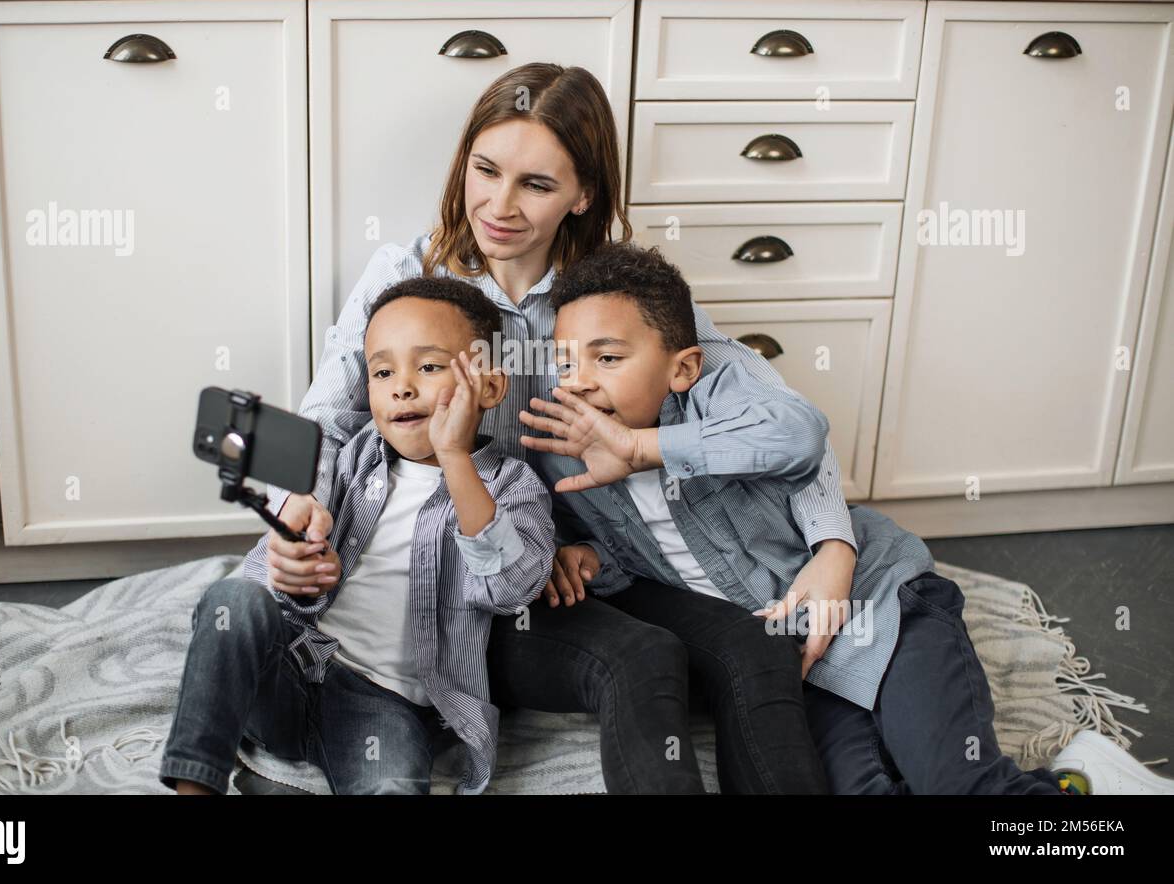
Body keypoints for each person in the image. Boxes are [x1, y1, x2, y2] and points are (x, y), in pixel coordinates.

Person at [265, 61, 861, 792]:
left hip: (591, 563)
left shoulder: (609, 296)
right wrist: (301, 509)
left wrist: (834, 542)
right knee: (639, 659)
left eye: (537, 185)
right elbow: (328, 413)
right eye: (485, 170)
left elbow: (772, 409)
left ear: (583, 195)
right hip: (466, 570)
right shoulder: (405, 275)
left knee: (742, 646)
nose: (499, 205)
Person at [523, 242, 1169, 795]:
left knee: (956, 782)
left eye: (608, 359)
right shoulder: (565, 456)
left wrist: (643, 448)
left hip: (882, 610)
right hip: (798, 664)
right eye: (567, 361)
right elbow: (630, 559)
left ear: (682, 367)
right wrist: (584, 557)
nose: (580, 381)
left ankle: (1079, 780)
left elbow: (798, 435)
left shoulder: (714, 395)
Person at [159, 276, 552, 794]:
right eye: (383, 371)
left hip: (382, 703)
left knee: (392, 784)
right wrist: (290, 569)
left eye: (429, 367)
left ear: (490, 387)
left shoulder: (510, 485)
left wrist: (455, 456)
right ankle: (196, 787)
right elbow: (268, 571)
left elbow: (510, 586)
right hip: (294, 667)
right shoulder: (354, 461)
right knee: (232, 597)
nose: (402, 386)